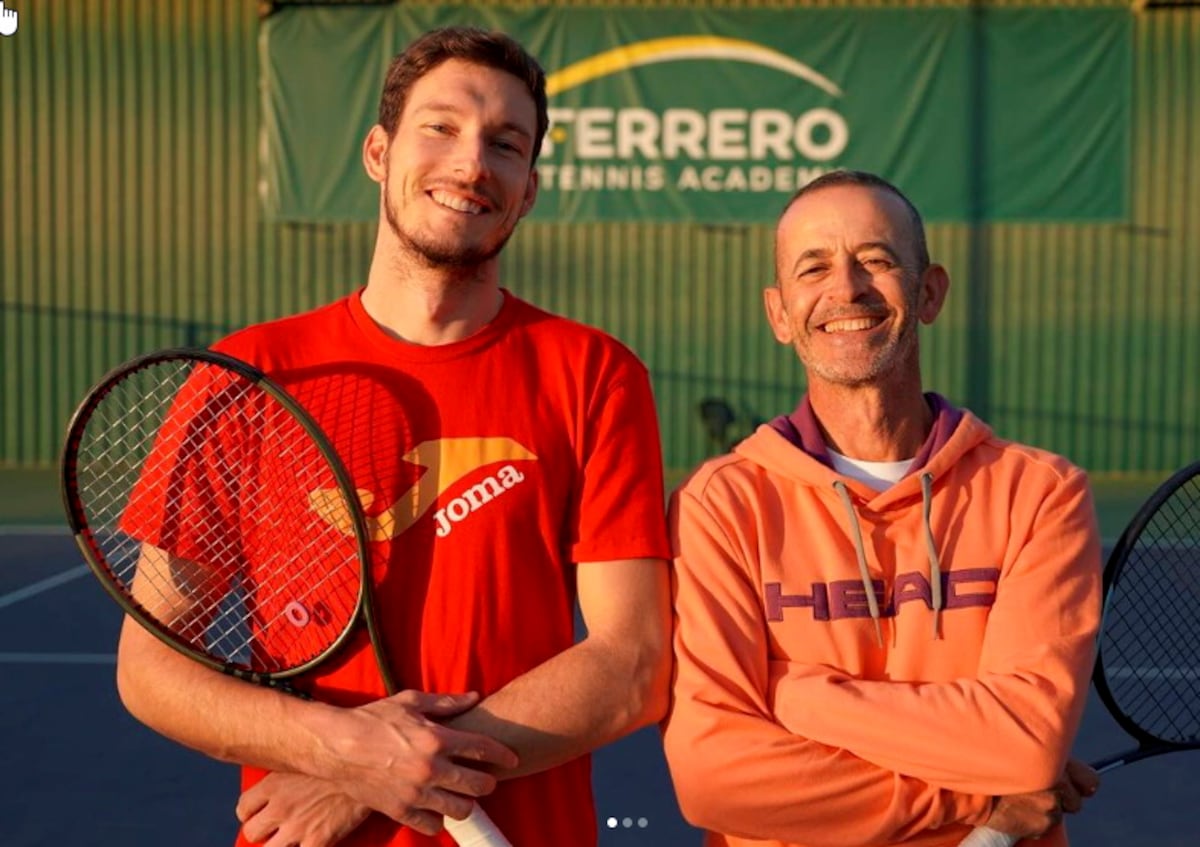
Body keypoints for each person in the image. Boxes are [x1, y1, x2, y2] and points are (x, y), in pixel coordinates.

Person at [114, 26, 672, 847]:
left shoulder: (594, 373)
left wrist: (390, 772)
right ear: (379, 152)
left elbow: (630, 667)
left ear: (529, 188)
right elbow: (150, 668)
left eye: (505, 145)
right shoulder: (248, 375)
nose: (472, 163)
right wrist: (347, 751)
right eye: (440, 127)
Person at [662, 170, 1103, 847]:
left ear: (929, 292)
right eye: (815, 267)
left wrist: (795, 694)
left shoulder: (1040, 493)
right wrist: (976, 799)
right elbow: (712, 776)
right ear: (779, 314)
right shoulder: (718, 506)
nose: (846, 287)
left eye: (876, 259)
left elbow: (1027, 743)